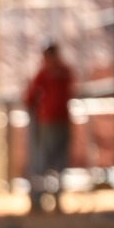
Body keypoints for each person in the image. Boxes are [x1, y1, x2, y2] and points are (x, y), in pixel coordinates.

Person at [22, 42, 75, 212]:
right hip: (58, 120)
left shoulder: (45, 73)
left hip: (50, 121)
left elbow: (29, 97)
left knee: (46, 160)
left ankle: (42, 198)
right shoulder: (64, 71)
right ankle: (50, 197)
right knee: (56, 160)